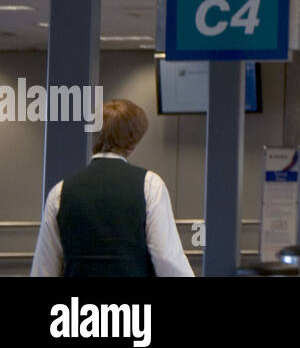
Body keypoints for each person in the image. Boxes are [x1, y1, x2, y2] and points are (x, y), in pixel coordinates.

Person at [31, 98, 192, 277]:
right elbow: (168, 261)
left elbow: (44, 267)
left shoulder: (60, 192)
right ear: (133, 139)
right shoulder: (150, 185)